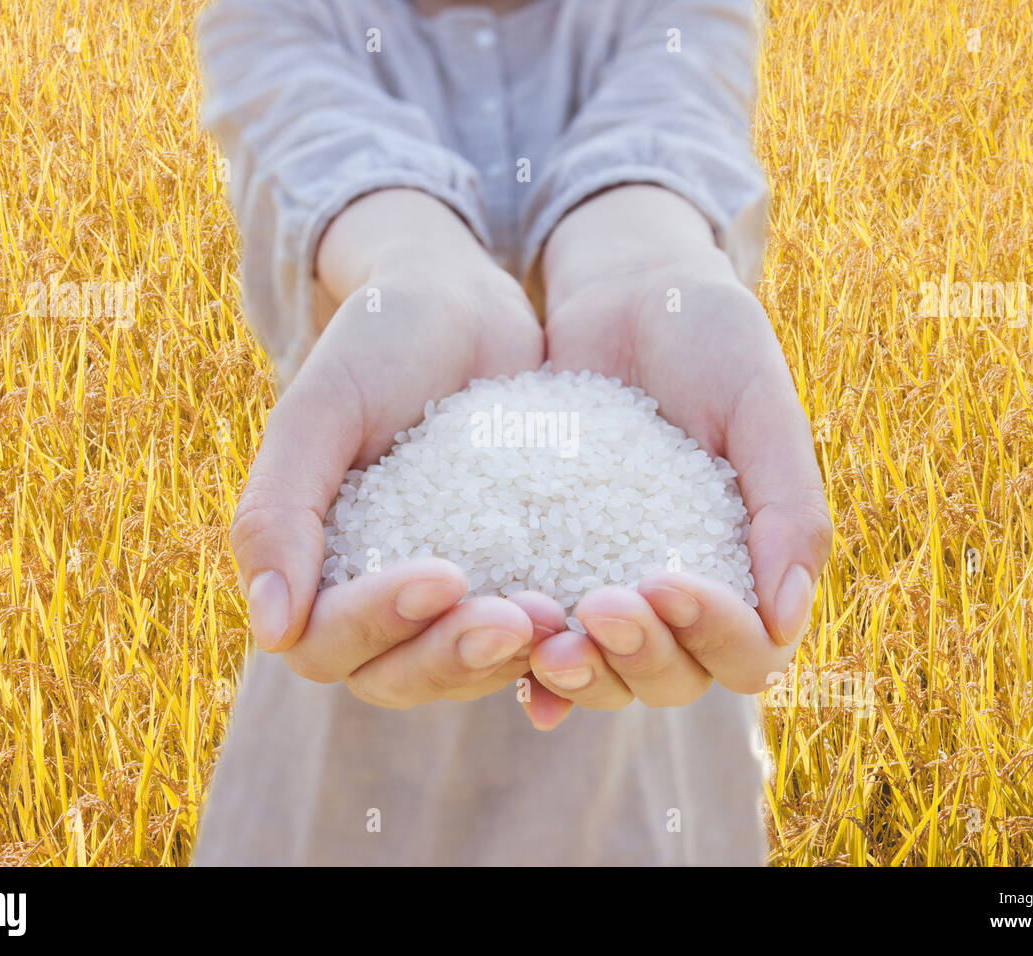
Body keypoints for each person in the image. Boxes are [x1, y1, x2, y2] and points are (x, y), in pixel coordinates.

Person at [192, 0, 832, 865]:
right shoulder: (274, 14)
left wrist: (655, 269)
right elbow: (329, 147)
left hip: (646, 716)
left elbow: (666, 130)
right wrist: (416, 271)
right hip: (359, 697)